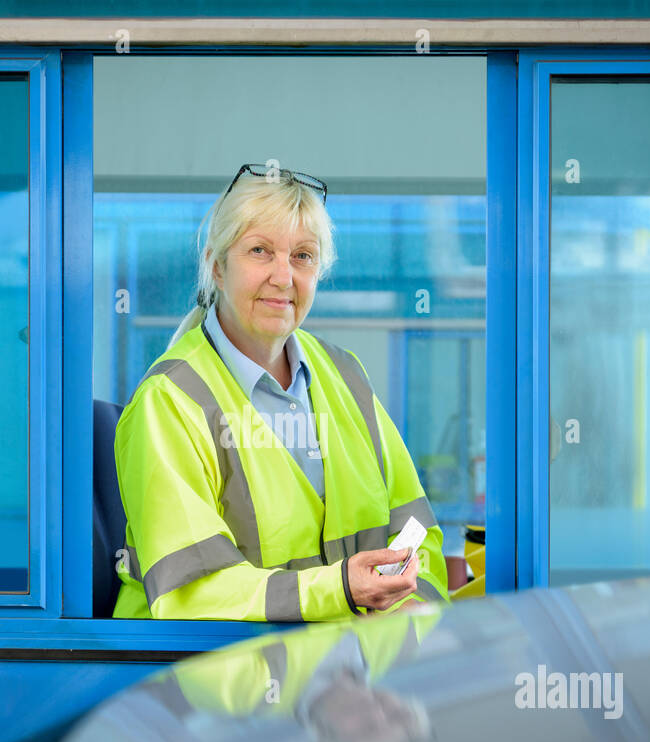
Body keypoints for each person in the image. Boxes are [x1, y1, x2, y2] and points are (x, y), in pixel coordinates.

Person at [112, 163, 448, 621]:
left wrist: (403, 637)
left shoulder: (345, 373)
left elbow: (417, 532)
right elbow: (191, 595)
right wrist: (340, 590)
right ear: (216, 265)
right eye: (260, 251)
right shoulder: (169, 401)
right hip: (206, 681)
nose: (284, 277)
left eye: (303, 256)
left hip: (342, 678)